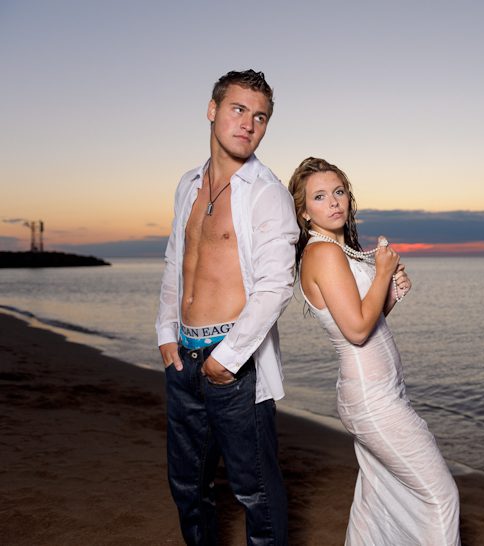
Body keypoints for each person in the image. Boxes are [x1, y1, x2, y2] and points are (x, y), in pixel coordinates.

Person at [155, 69, 298, 545]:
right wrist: (166, 333)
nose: (249, 124)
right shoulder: (187, 184)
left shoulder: (267, 193)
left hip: (234, 366)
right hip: (184, 359)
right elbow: (176, 260)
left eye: (260, 117)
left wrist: (226, 359)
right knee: (187, 489)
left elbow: (276, 285)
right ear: (212, 110)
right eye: (238, 110)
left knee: (256, 495)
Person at [288, 157, 461, 545]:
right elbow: (356, 331)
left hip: (378, 392)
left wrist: (391, 291)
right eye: (320, 196)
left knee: (378, 498)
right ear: (304, 211)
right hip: (372, 399)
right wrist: (382, 272)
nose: (334, 202)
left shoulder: (337, 249)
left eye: (339, 191)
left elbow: (366, 318)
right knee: (440, 498)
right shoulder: (323, 253)